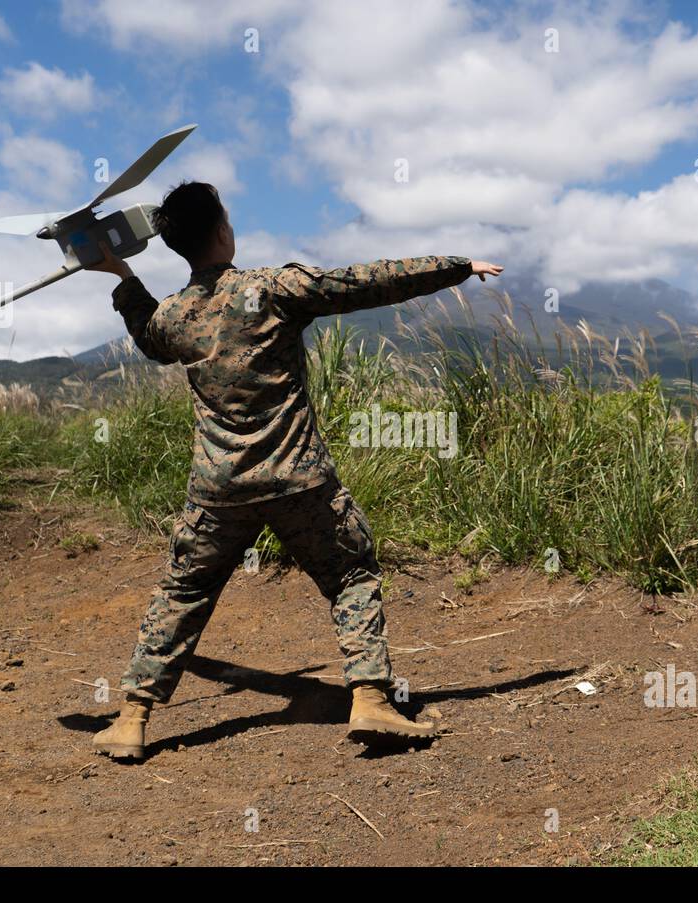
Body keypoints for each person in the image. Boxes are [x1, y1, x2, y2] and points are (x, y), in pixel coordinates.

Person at [87, 180, 503, 760]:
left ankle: (132, 718)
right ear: (223, 232)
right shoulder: (272, 289)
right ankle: (371, 700)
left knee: (184, 591)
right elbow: (367, 281)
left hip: (218, 489)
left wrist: (120, 276)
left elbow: (148, 334)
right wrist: (457, 267)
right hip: (298, 479)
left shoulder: (175, 317)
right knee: (351, 574)